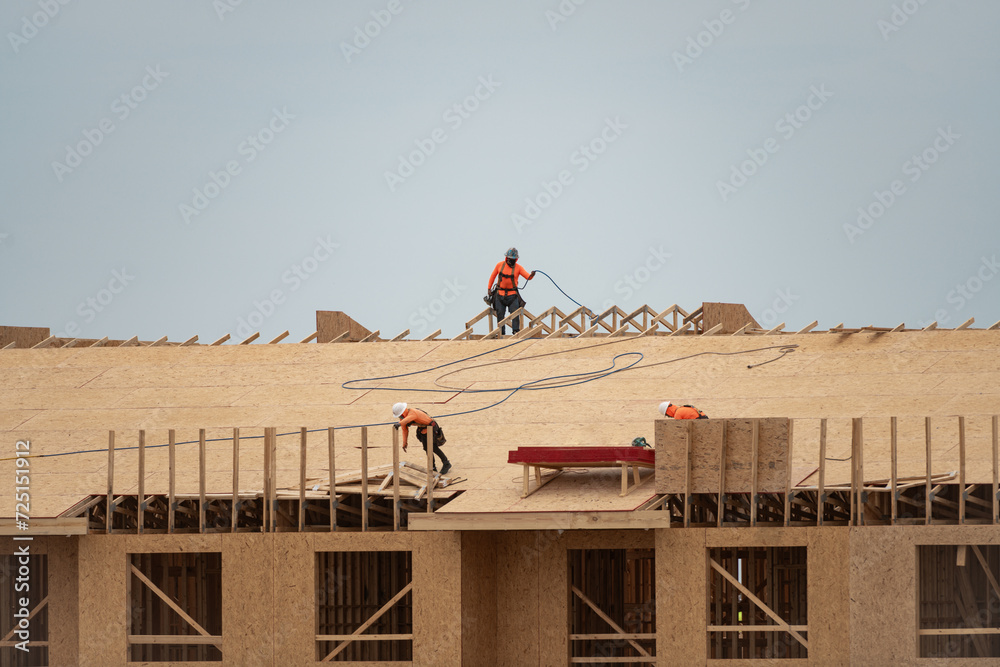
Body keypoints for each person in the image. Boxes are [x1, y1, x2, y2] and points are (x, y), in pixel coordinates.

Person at [392, 402, 452, 474]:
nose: (400, 417)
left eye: (400, 415)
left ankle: (446, 463)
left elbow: (409, 419)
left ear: (403, 412)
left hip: (431, 428)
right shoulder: (403, 419)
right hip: (423, 430)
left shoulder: (413, 413)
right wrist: (405, 443)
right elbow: (404, 430)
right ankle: (433, 468)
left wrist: (399, 424)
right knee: (427, 449)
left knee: (433, 447)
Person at [487, 247, 535, 334]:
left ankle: (516, 331)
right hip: (499, 295)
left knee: (515, 314)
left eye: (513, 260)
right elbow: (492, 276)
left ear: (516, 260)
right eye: (510, 259)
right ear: (506, 258)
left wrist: (532, 275)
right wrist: (489, 288)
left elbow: (528, 277)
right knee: (500, 315)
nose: (511, 261)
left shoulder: (518, 268)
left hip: (512, 296)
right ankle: (501, 333)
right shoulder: (499, 265)